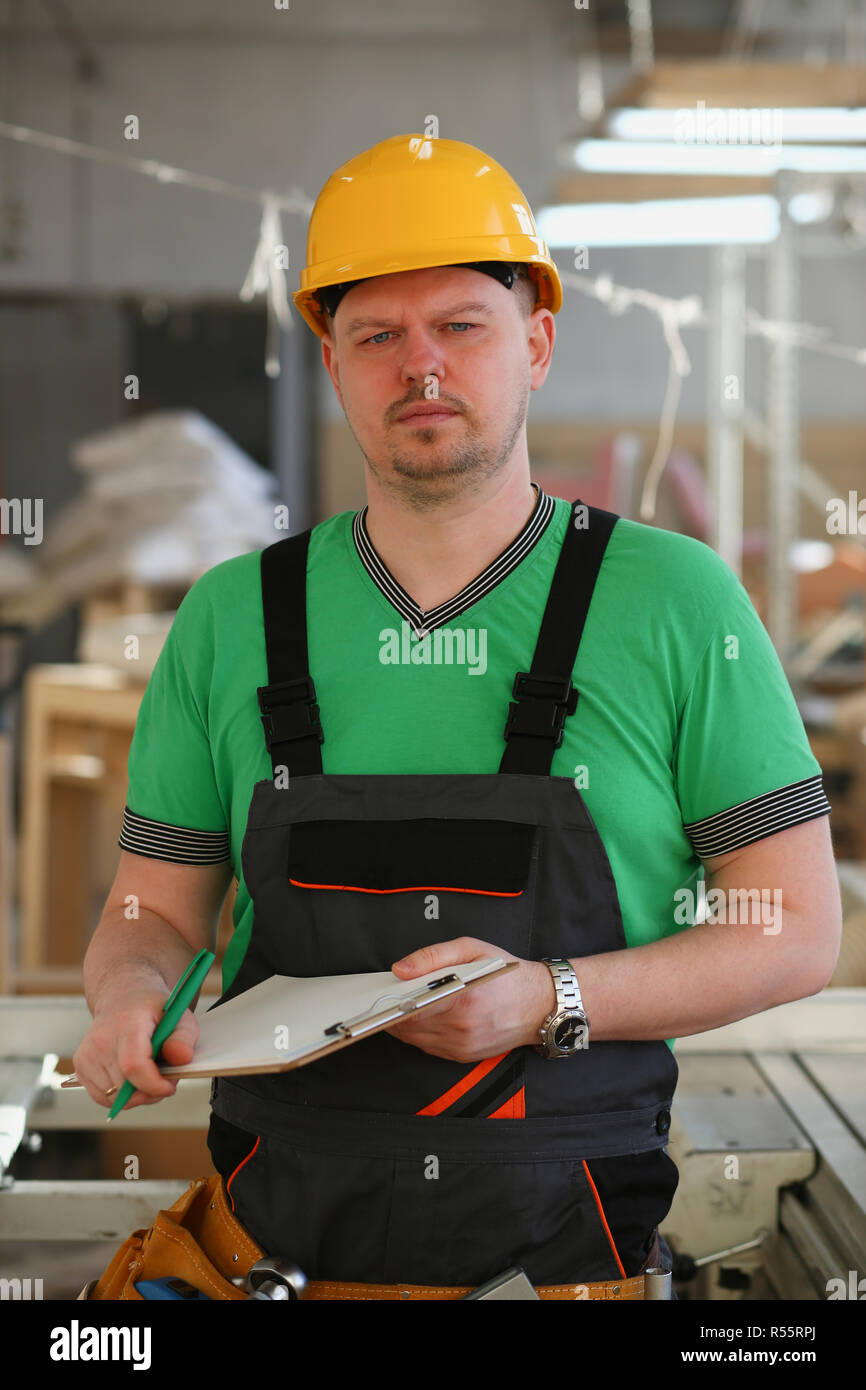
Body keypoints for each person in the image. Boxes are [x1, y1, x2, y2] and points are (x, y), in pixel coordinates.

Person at [74, 133, 841, 1298]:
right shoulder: (233, 617)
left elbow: (792, 928)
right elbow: (149, 911)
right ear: (330, 362)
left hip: (568, 1268)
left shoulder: (677, 601)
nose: (417, 366)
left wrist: (549, 997)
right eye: (376, 335)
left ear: (535, 343)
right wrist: (130, 990)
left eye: (460, 327)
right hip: (270, 1260)